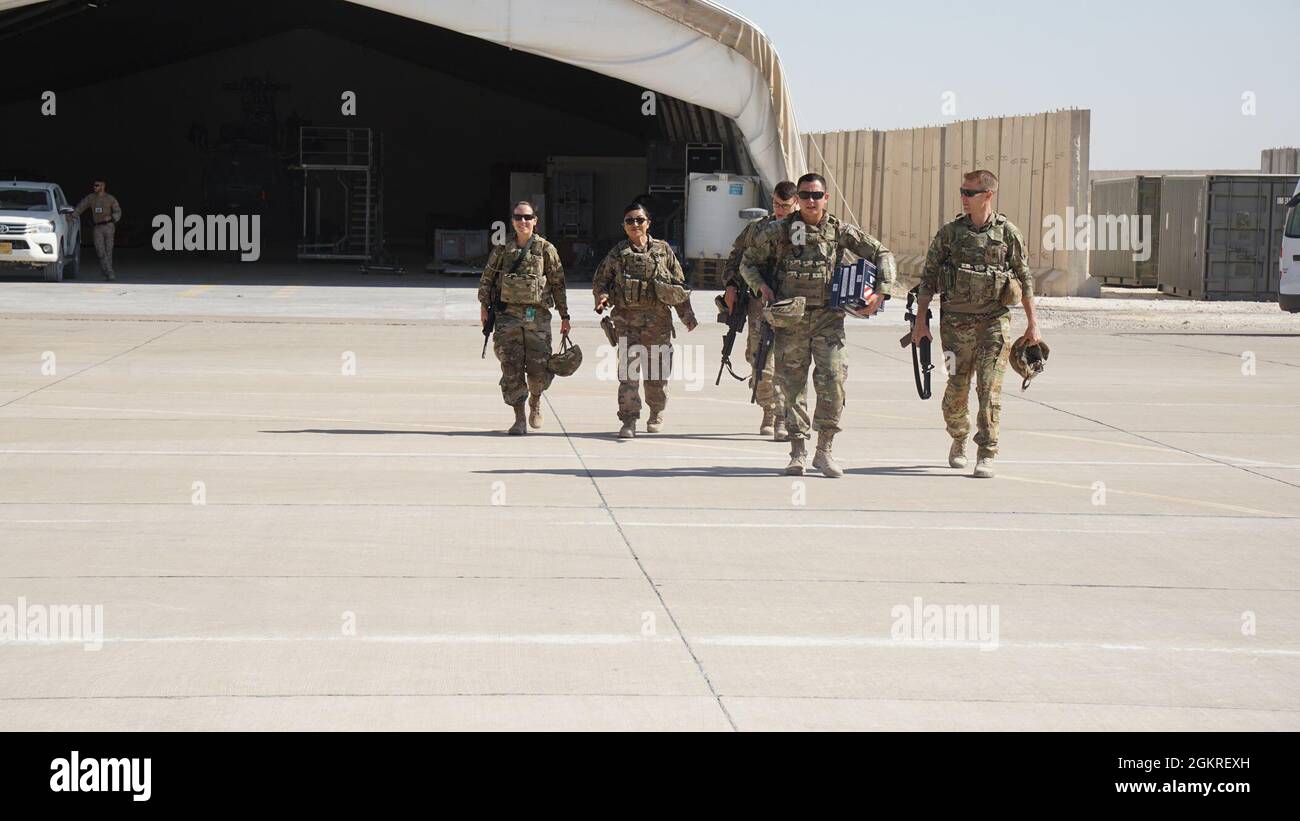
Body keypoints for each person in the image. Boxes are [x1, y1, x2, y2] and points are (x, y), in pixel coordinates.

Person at [739, 173, 895, 477]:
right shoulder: (778, 231)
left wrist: (883, 289)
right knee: (792, 387)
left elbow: (881, 253)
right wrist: (761, 287)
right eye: (805, 195)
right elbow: (748, 261)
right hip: (791, 321)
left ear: (826, 198)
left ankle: (824, 450)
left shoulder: (840, 232)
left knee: (833, 382)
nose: (811, 201)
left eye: (816, 195)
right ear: (797, 198)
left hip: (828, 320)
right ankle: (797, 451)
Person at [911, 169, 1041, 478]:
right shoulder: (950, 233)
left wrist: (1033, 324)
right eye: (962, 192)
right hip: (955, 326)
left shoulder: (1008, 233)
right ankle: (959, 436)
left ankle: (987, 450)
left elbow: (1024, 278)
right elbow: (928, 279)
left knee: (989, 389)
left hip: (994, 323)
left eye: (969, 193)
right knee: (956, 390)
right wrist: (920, 323)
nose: (963, 198)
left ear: (988, 195)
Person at [593, 203, 698, 439]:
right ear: (624, 226)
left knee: (656, 376)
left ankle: (656, 410)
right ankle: (629, 420)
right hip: (626, 323)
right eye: (629, 221)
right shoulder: (618, 253)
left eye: (639, 220)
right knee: (628, 374)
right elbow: (601, 281)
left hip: (658, 324)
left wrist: (687, 315)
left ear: (648, 223)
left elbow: (678, 285)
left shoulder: (663, 251)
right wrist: (602, 298)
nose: (635, 225)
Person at [478, 200, 570, 435]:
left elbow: (558, 283)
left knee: (539, 369)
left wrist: (564, 316)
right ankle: (519, 417)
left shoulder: (546, 249)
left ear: (535, 221)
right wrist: (484, 307)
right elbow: (487, 279)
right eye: (518, 218)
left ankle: (535, 399)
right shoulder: (502, 250)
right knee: (511, 368)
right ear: (512, 221)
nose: (523, 222)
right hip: (507, 317)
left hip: (537, 318)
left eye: (527, 217)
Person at [722, 179, 797, 440]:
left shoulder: (802, 231)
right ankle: (769, 409)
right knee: (760, 359)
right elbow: (735, 257)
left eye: (785, 205)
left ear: (795, 203)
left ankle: (781, 416)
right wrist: (731, 284)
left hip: (791, 306)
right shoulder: (756, 230)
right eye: (776, 204)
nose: (779, 210)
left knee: (788, 364)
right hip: (759, 303)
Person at [73, 179, 121, 281]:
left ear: (103, 186)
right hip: (97, 227)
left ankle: (109, 272)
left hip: (109, 226)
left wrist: (112, 217)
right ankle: (107, 271)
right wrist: (73, 215)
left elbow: (118, 211)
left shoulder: (110, 199)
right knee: (100, 251)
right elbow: (81, 206)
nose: (94, 187)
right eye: (94, 185)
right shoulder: (91, 198)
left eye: (97, 185)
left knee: (109, 250)